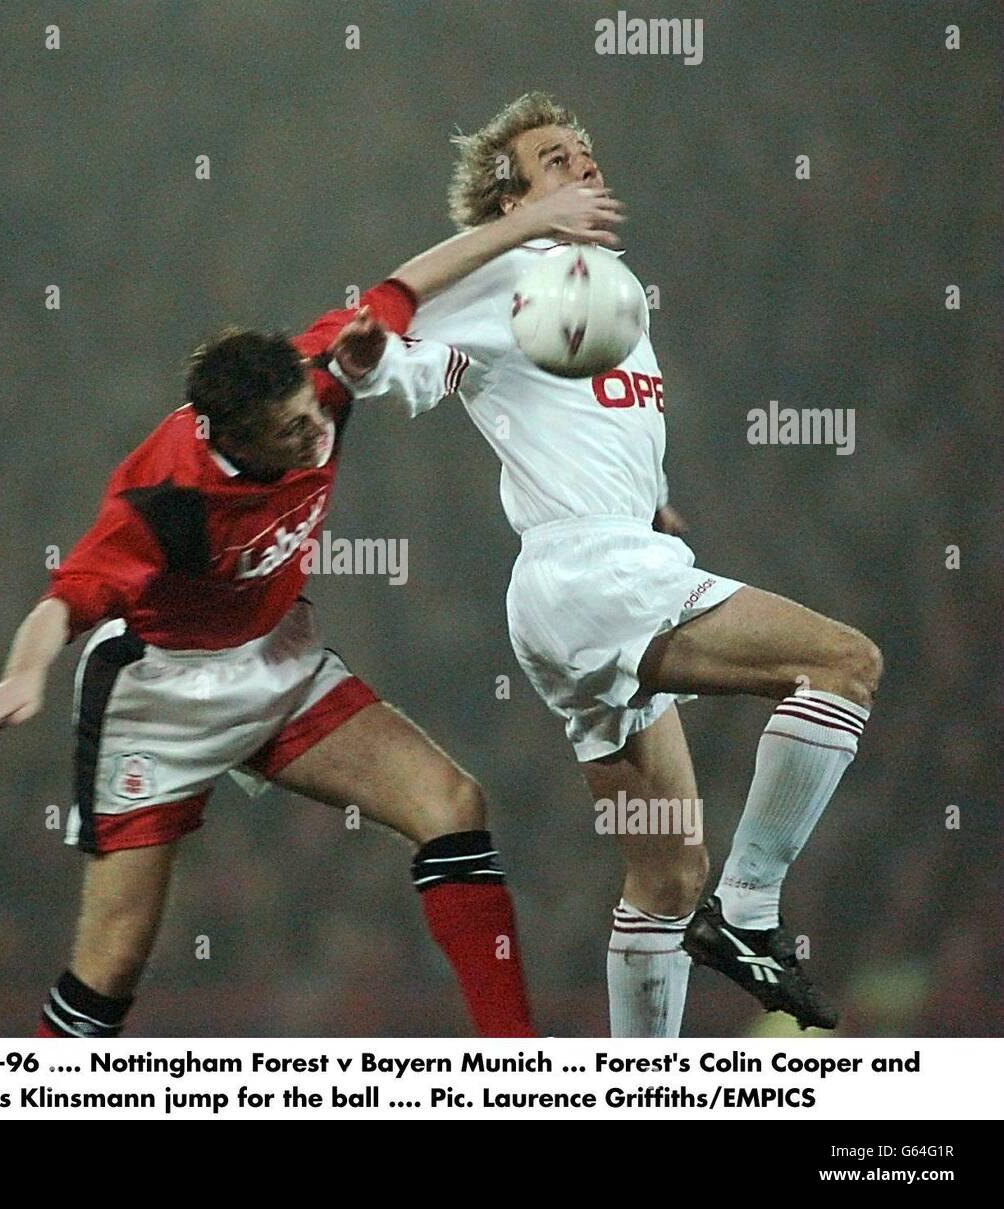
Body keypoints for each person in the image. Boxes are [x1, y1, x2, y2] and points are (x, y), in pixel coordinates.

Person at [0, 183, 623, 1038]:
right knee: (112, 966)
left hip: (280, 662)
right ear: (229, 439)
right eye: (291, 432)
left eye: (314, 413)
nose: (317, 433)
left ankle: (517, 1067)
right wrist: (22, 675)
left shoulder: (318, 372)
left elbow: (407, 284)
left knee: (452, 802)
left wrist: (528, 221)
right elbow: (65, 602)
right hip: (160, 700)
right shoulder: (162, 497)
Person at [337, 92, 882, 1034]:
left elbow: (594, 423)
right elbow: (417, 363)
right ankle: (752, 910)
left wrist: (655, 503)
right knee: (843, 662)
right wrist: (367, 362)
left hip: (583, 586)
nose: (583, 165)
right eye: (556, 159)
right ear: (512, 200)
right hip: (591, 573)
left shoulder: (602, 287)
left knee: (665, 872)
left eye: (585, 151)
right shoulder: (516, 266)